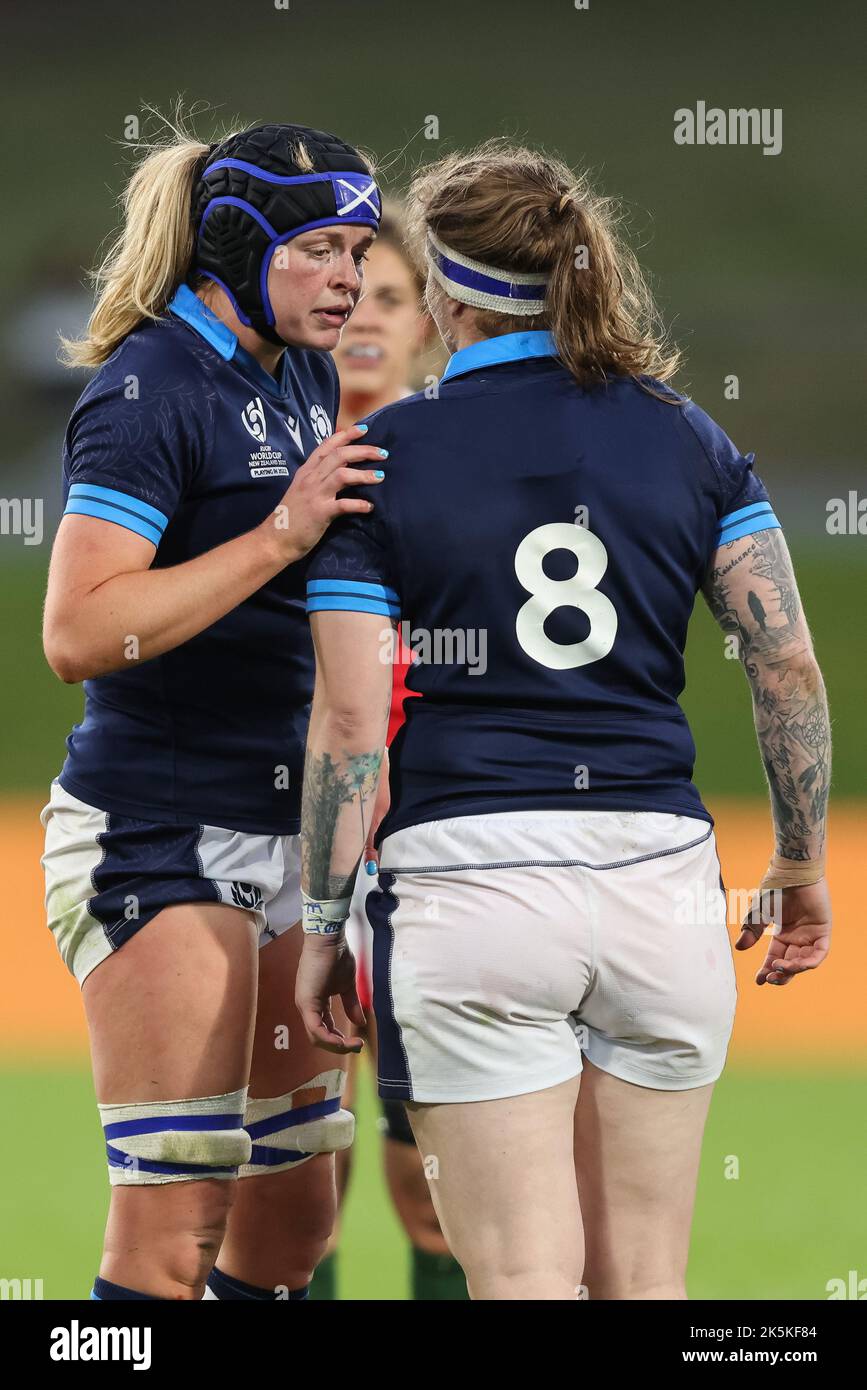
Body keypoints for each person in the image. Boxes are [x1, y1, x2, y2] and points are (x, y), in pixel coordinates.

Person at [294, 141, 833, 1300]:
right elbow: (784, 665)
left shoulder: (382, 457)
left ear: (442, 295)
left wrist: (324, 925)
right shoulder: (689, 437)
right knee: (646, 1284)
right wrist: (799, 859)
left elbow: (347, 723)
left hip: (469, 888)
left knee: (526, 1280)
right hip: (661, 886)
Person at [41, 117, 387, 1301]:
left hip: (286, 832)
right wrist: (280, 532)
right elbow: (79, 631)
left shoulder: (299, 370)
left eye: (361, 250)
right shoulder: (149, 387)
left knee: (292, 1225)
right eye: (326, 249)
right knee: (173, 1229)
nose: (351, 279)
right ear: (239, 248)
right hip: (160, 831)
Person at [312, 208, 466, 1301]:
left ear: (429, 325)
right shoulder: (254, 456)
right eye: (350, 292)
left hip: (434, 852)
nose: (365, 313)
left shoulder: (462, 468)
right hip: (285, 839)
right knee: (298, 1175)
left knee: (439, 1186)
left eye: (393, 297)